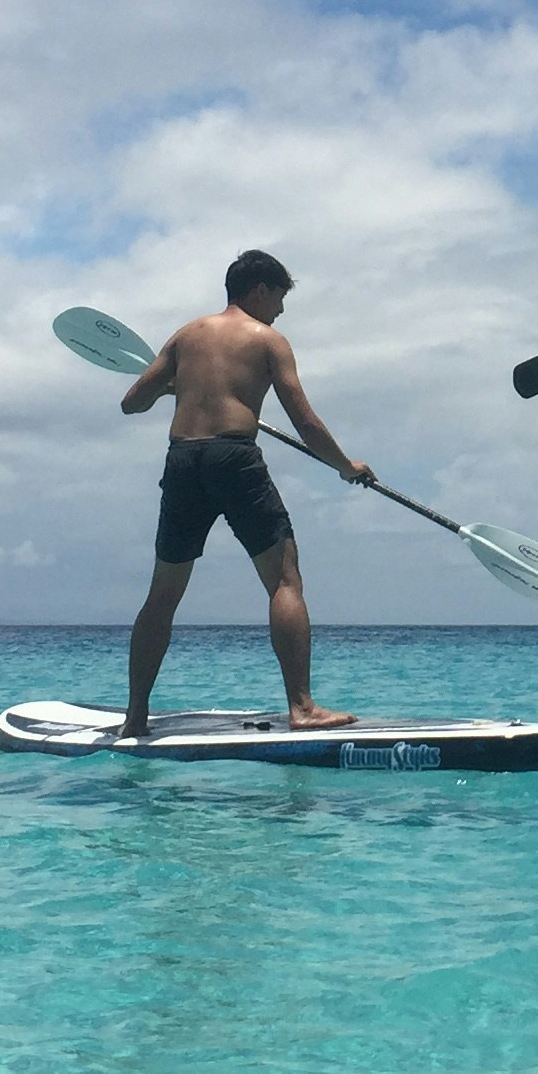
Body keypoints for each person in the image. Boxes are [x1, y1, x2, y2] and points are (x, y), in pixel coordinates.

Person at [115, 249, 372, 736]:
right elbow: (305, 421)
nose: (279, 310)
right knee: (284, 581)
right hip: (234, 457)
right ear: (259, 290)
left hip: (184, 459)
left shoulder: (187, 335)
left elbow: (132, 402)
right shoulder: (268, 341)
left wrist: (176, 389)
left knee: (163, 593)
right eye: (278, 298)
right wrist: (345, 466)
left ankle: (134, 718)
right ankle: (302, 708)